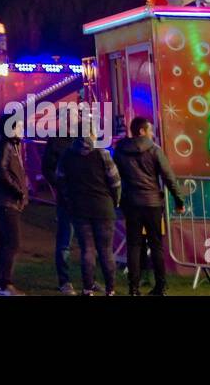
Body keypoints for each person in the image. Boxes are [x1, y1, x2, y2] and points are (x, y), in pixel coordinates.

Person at [113, 116, 185, 296]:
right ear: (142, 131)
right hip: (152, 202)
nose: (152, 134)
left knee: (134, 244)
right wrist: (179, 200)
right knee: (156, 245)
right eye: (150, 130)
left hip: (131, 202)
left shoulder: (120, 150)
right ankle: (160, 287)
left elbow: (115, 177)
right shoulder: (154, 150)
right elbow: (168, 177)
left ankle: (133, 288)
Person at [56, 123, 122, 296]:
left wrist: (70, 198)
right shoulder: (103, 153)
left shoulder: (67, 155)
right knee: (106, 250)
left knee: (87, 250)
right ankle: (110, 289)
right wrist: (115, 201)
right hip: (103, 207)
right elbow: (115, 182)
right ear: (93, 134)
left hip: (79, 208)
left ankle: (87, 288)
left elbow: (60, 180)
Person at [0, 109, 27, 295]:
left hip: (8, 201)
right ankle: (5, 284)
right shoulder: (6, 145)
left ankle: (2, 284)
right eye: (19, 126)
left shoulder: (13, 146)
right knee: (12, 242)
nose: (22, 128)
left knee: (6, 242)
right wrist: (17, 189)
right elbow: (0, 172)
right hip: (6, 201)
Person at [40, 132, 75, 294]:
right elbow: (47, 168)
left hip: (86, 201)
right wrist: (60, 186)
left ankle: (89, 280)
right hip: (67, 201)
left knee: (88, 244)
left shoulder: (87, 140)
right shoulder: (56, 142)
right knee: (64, 242)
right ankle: (65, 281)